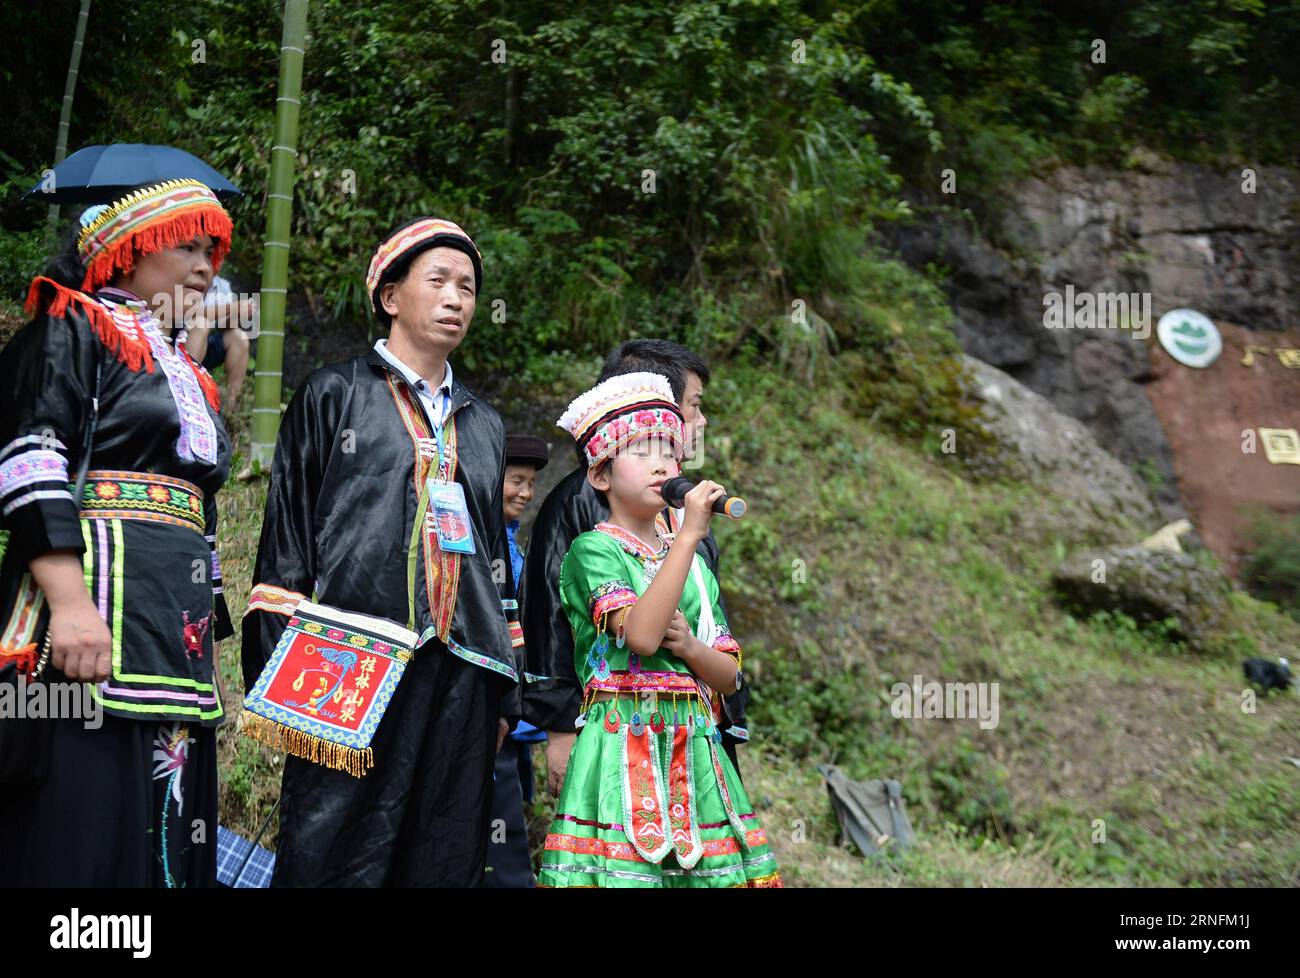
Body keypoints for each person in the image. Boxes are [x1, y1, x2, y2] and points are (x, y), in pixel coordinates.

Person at [240, 217, 521, 887]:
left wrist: (505, 688)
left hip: (461, 669)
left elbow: (491, 561)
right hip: (344, 663)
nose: (458, 298)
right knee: (333, 842)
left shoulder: (484, 424)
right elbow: (287, 543)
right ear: (391, 297)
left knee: (443, 845)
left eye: (470, 287)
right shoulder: (333, 395)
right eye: (439, 281)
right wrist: (281, 672)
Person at [0, 179, 235, 886]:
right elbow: (32, 457)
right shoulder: (71, 326)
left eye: (212, 251)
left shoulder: (189, 368)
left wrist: (208, 645)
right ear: (125, 252)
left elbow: (199, 512)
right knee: (82, 807)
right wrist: (71, 605)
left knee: (168, 801)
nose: (205, 267)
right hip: (89, 610)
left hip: (174, 627)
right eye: (185, 246)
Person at [536, 371, 780, 887]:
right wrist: (690, 535)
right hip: (621, 744)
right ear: (600, 476)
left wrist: (691, 645)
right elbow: (643, 637)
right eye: (641, 451)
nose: (662, 465)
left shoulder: (690, 564)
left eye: (670, 453)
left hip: (695, 746)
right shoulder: (592, 551)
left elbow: (730, 677)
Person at [520, 339, 749, 801]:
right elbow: (548, 620)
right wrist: (561, 727)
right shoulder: (579, 508)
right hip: (618, 729)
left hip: (699, 727)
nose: (700, 422)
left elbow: (717, 638)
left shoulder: (686, 513)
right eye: (694, 405)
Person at [485, 433, 549, 888]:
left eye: (530, 483)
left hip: (514, 705)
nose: (525, 493)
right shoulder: (487, 543)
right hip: (492, 704)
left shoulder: (514, 543)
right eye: (516, 481)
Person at [181, 272, 254, 410]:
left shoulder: (223, 285)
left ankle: (231, 406)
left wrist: (238, 314)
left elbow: (225, 325)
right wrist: (230, 308)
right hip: (182, 342)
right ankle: (186, 391)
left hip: (208, 342)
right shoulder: (188, 277)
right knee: (202, 324)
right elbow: (189, 314)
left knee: (239, 337)